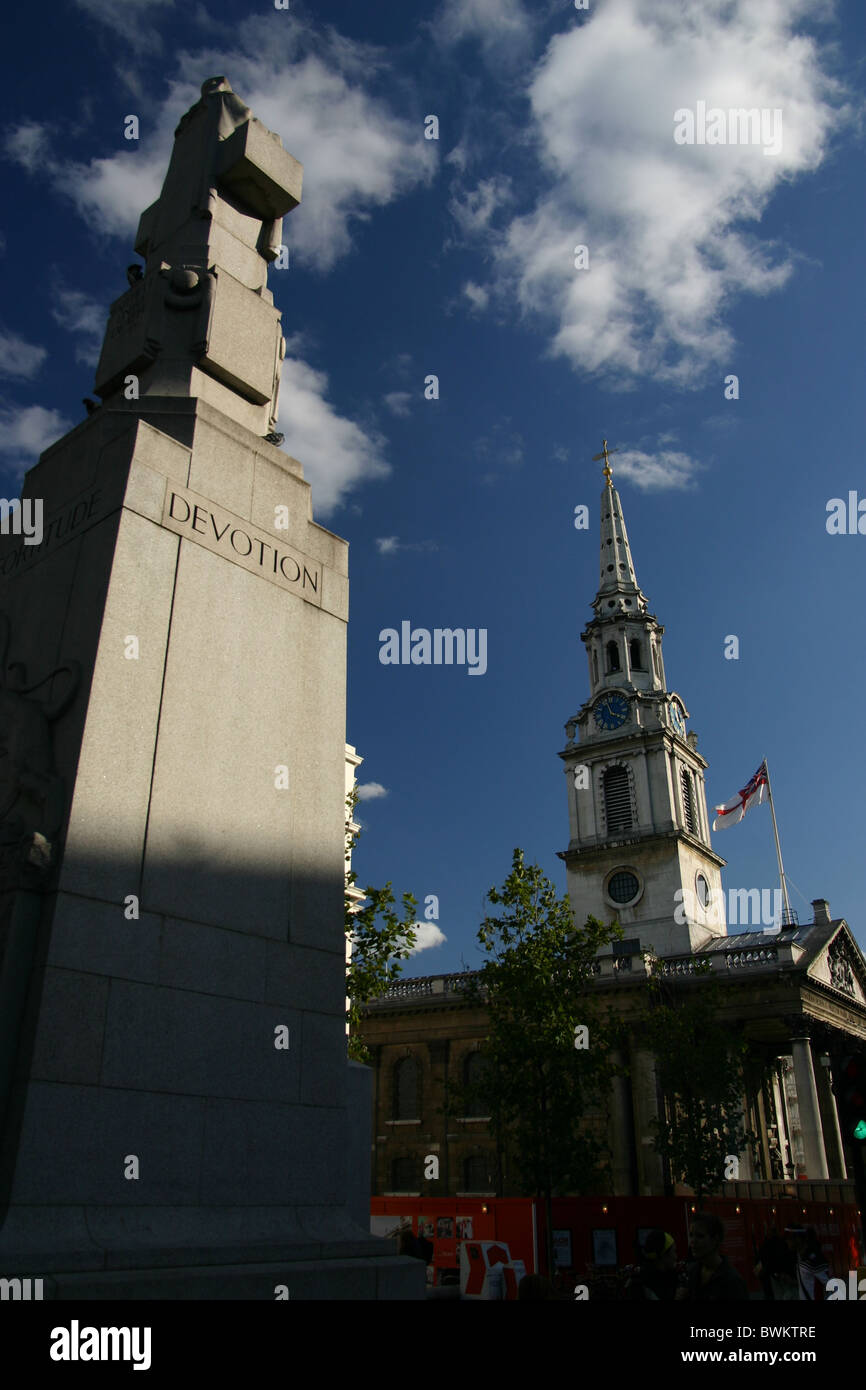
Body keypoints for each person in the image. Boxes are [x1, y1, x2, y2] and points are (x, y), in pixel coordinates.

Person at [676, 1211, 749, 1301]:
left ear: (715, 1240)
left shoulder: (732, 1281)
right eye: (691, 1235)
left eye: (700, 1236)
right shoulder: (692, 1272)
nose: (693, 1241)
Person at [625, 1230, 680, 1301]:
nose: (676, 1256)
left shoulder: (671, 1276)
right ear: (663, 1256)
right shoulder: (639, 1287)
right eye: (674, 1251)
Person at [784, 1226, 830, 1301]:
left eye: (789, 1239)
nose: (786, 1242)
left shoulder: (813, 1260)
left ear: (798, 1239)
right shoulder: (799, 1257)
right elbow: (808, 1282)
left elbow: (830, 1284)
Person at [754, 1227, 796, 1301]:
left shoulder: (766, 1244)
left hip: (772, 1275)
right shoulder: (783, 1243)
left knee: (777, 1295)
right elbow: (790, 1258)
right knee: (788, 1293)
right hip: (785, 1274)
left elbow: (761, 1259)